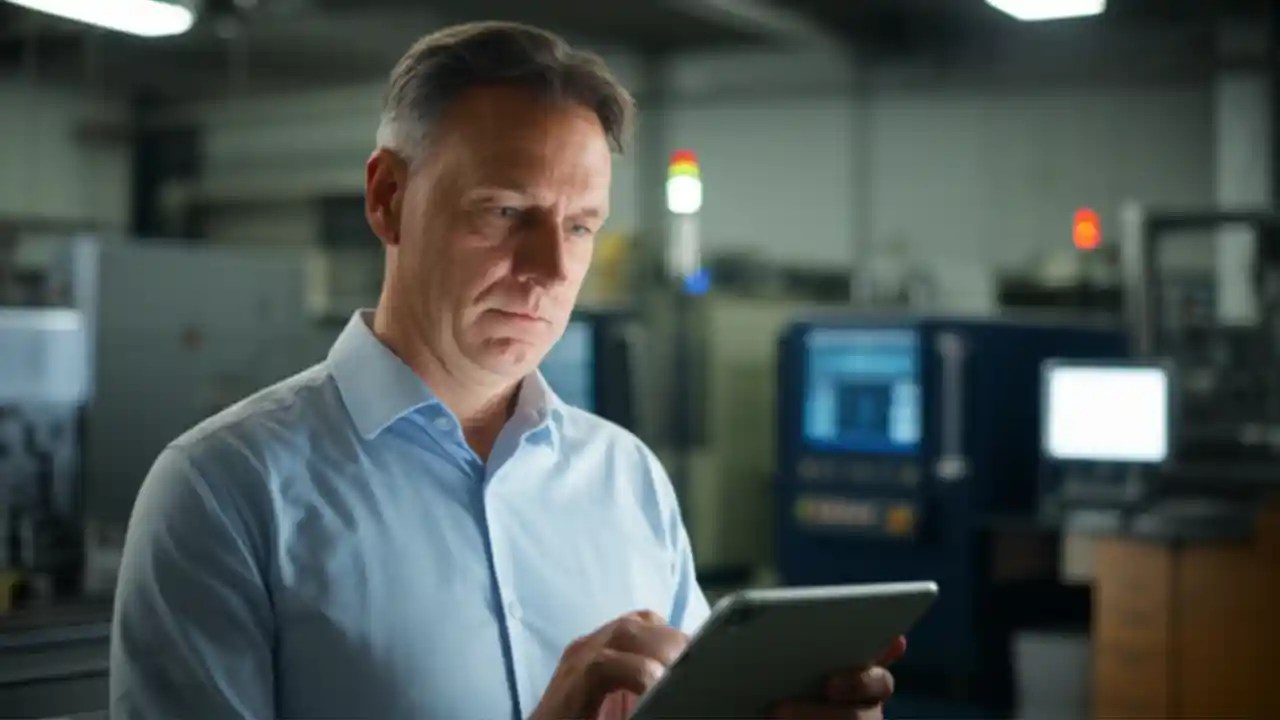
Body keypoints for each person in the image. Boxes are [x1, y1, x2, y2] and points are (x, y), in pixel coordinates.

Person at [110, 21, 904, 720]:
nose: (552, 267)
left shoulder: (626, 480)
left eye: (582, 225)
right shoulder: (223, 495)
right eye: (505, 213)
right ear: (388, 197)